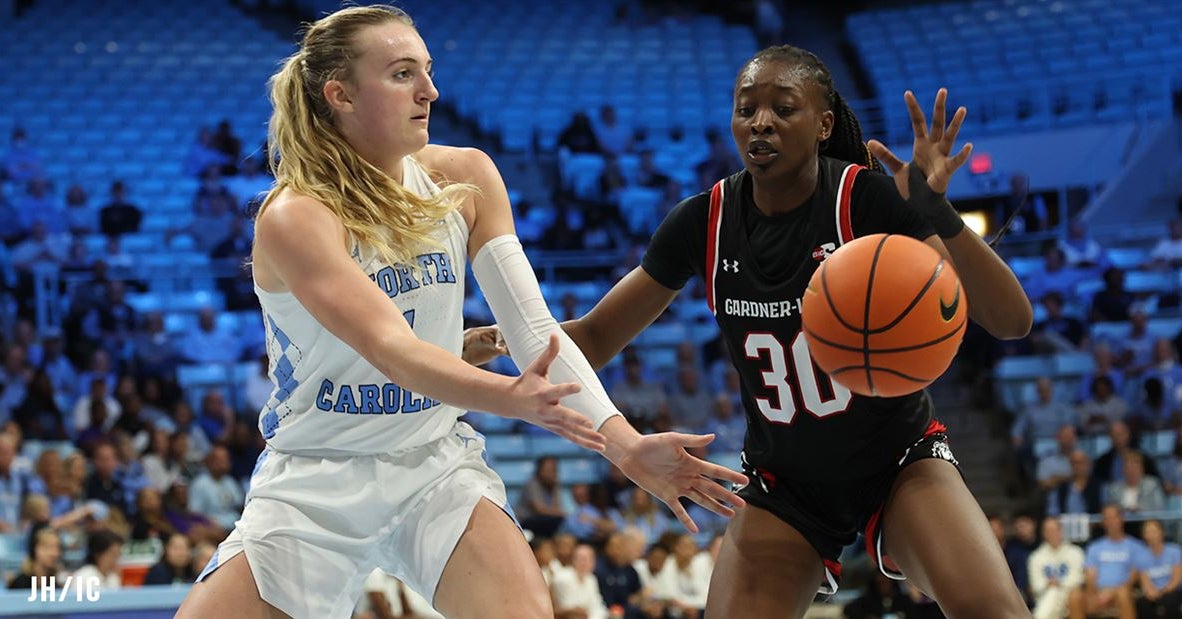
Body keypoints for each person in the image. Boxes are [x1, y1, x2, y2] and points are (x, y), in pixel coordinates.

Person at [176, 7, 743, 619]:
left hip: (432, 467)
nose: (430, 91)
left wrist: (624, 446)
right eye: (401, 74)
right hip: (316, 477)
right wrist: (512, 396)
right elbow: (394, 349)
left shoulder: (467, 176)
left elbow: (534, 331)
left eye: (427, 70)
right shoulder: (295, 216)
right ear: (338, 94)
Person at [552, 45, 1034, 617]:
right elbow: (595, 338)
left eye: (783, 108)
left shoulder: (864, 199)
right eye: (746, 108)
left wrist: (937, 214)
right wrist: (492, 342)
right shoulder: (702, 222)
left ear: (824, 123)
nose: (761, 121)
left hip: (898, 459)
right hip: (786, 485)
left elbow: (1011, 320)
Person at [1069, 505, 1140, 619]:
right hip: (1098, 591)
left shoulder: (1135, 546)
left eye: (1114, 517)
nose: (1111, 521)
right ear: (1103, 522)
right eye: (1107, 518)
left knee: (1123, 594)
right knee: (1074, 595)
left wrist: (1112, 592)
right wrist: (1093, 594)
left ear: (1121, 519)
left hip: (1122, 591)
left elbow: (1134, 575)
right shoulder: (1095, 547)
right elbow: (1090, 574)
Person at [1028, 517, 1084, 619]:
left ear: (1061, 531)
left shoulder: (1075, 552)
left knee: (1061, 594)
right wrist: (1049, 584)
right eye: (1048, 531)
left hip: (1069, 596)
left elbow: (1078, 579)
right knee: (1052, 592)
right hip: (1045, 596)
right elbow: (1036, 585)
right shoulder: (1035, 557)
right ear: (1044, 534)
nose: (1052, 534)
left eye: (1054, 530)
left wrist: (1059, 583)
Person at [1133, 519, 1182, 619]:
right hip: (1153, 592)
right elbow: (1145, 581)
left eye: (1155, 531)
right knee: (1142, 603)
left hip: (1173, 590)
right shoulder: (1141, 556)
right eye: (1148, 532)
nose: (1152, 535)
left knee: (1170, 602)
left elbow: (1176, 580)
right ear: (1144, 536)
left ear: (1162, 532)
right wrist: (1151, 591)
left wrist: (1162, 592)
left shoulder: (1175, 551)